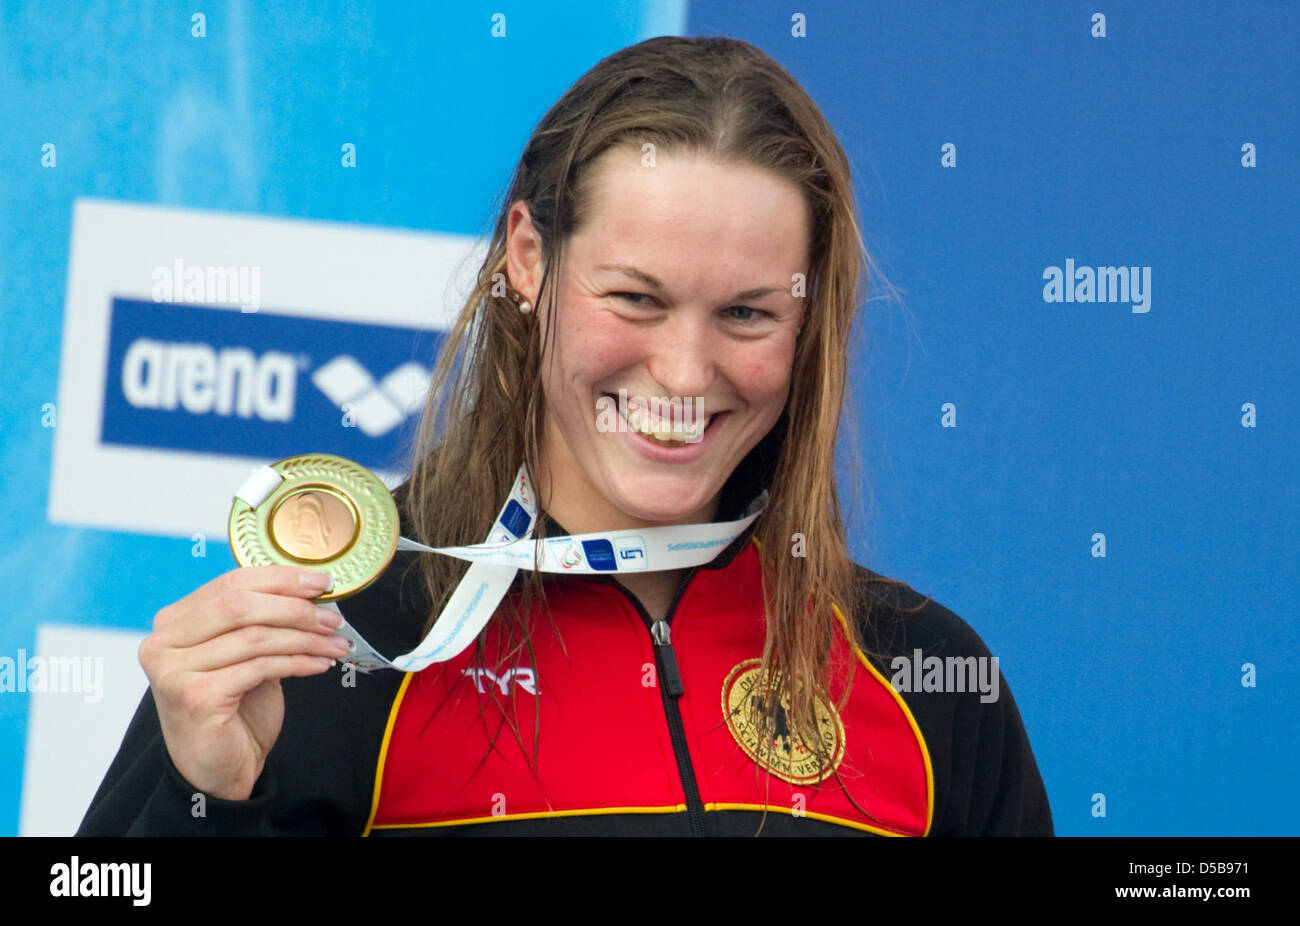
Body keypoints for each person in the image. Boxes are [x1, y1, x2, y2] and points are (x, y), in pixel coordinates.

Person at [78, 35, 1052, 836]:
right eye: (634, 297)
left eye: (747, 315)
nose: (682, 370)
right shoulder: (336, 645)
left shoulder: (920, 676)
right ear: (529, 258)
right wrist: (203, 798)